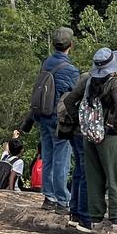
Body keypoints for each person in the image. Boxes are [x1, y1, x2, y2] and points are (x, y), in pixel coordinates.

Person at [61, 48, 117, 234]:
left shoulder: (87, 81)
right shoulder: (114, 82)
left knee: (94, 179)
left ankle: (96, 224)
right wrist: (116, 126)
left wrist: (82, 123)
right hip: (111, 138)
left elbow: (69, 100)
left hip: (89, 137)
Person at [32, 27, 79, 213]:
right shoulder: (70, 70)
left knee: (48, 156)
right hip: (59, 119)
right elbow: (75, 95)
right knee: (61, 158)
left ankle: (49, 197)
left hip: (42, 115)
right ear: (71, 45)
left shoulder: (46, 63)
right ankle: (62, 199)